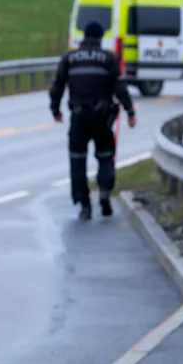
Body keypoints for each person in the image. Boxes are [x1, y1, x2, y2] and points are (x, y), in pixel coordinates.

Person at [49, 20, 137, 221]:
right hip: (102, 118)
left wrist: (55, 110)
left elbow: (57, 85)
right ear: (100, 37)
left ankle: (84, 205)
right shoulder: (108, 59)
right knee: (106, 156)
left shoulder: (70, 59)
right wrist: (130, 111)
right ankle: (105, 191)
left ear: (84, 37)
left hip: (78, 118)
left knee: (77, 160)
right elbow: (120, 88)